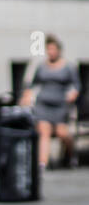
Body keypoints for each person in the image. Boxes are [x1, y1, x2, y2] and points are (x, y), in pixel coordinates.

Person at [20, 35, 79, 168]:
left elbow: (76, 85)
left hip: (60, 104)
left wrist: (73, 94)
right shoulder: (42, 66)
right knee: (44, 131)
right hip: (43, 104)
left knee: (61, 132)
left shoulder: (68, 67)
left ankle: (71, 154)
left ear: (58, 50)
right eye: (48, 49)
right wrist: (26, 96)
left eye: (53, 49)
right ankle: (42, 163)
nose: (51, 52)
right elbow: (33, 84)